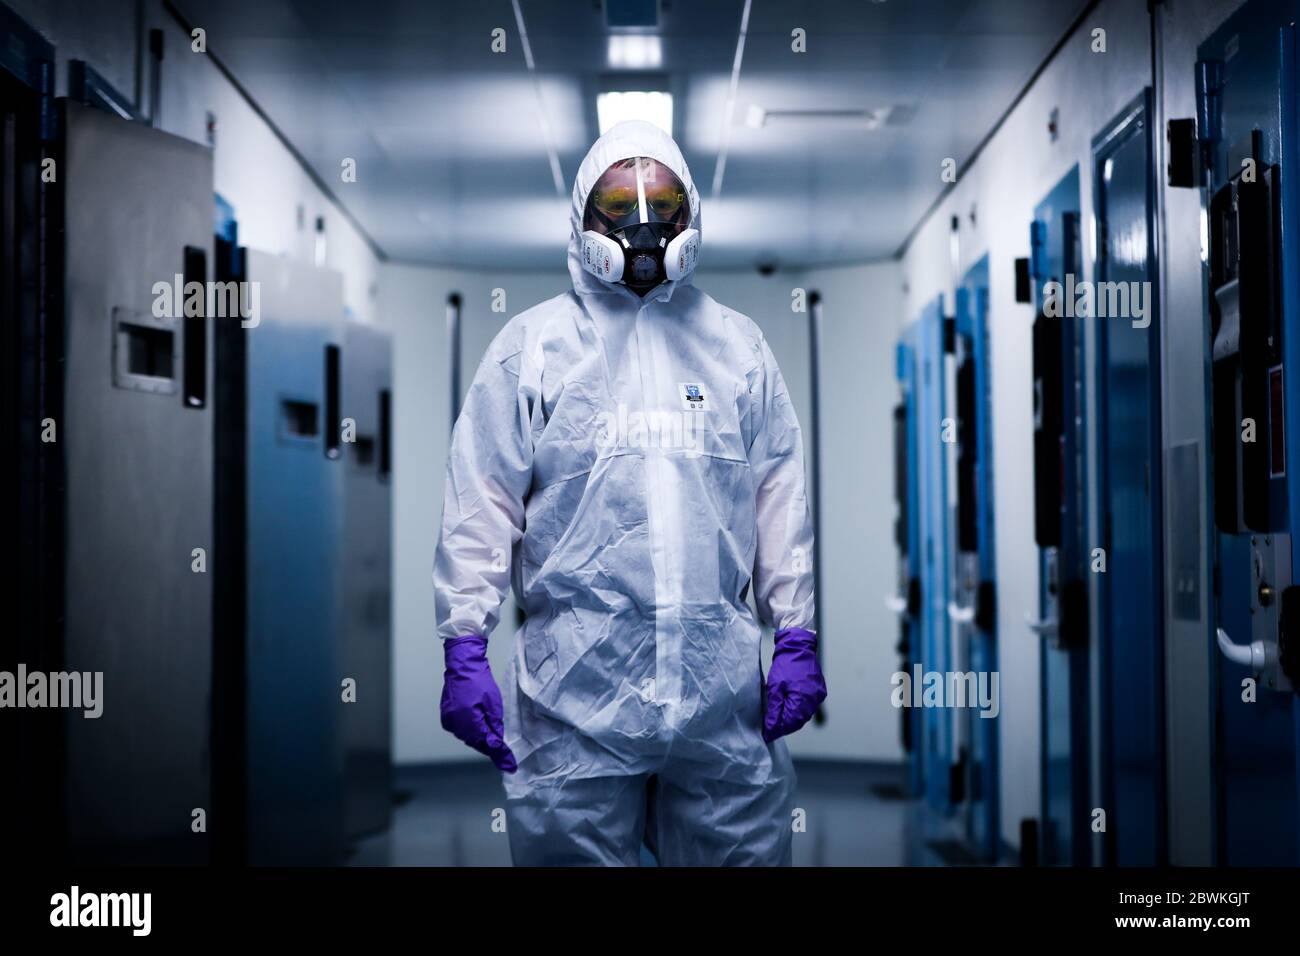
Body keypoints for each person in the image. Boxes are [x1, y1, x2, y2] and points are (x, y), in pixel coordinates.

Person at [434, 120, 826, 866]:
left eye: (663, 205)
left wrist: (797, 632)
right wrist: (464, 641)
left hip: (721, 695)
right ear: (583, 218)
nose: (642, 227)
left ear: (692, 217)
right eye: (617, 207)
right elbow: (479, 501)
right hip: (572, 697)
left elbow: (779, 497)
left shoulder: (737, 347)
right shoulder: (534, 348)